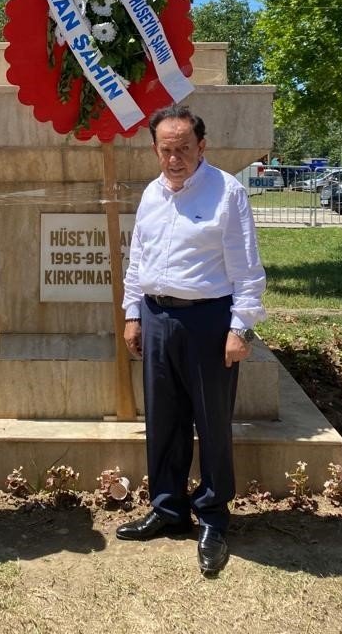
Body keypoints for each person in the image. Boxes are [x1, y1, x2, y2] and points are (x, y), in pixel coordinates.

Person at [116, 105, 267, 576]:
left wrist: (240, 327)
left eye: (184, 148)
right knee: (163, 420)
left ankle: (214, 515)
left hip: (208, 321)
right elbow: (137, 257)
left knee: (212, 422)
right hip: (158, 317)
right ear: (155, 149)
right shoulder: (151, 193)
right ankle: (168, 507)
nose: (175, 158)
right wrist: (132, 313)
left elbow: (246, 267)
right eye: (166, 149)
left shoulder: (227, 192)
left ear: (202, 146)